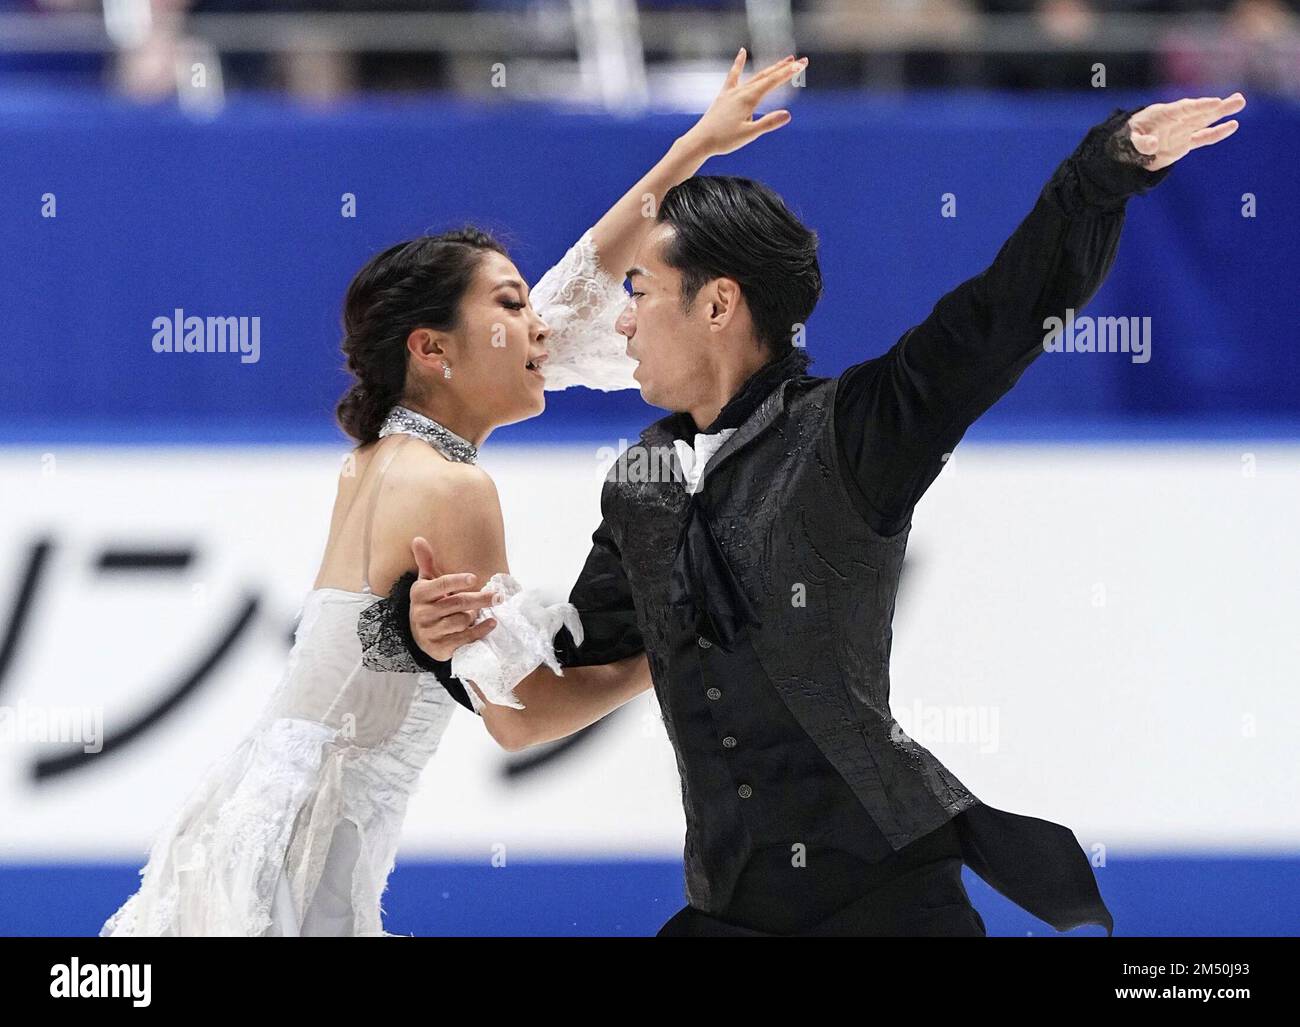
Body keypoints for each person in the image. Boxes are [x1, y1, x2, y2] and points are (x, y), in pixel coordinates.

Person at [395, 93, 1246, 936]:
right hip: (730, 912)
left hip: (889, 905)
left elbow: (1002, 315)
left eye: (641, 290)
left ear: (718, 304)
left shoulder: (854, 431)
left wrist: (1103, 171)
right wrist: (445, 642)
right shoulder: (640, 484)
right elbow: (566, 676)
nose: (617, 321)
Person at [98, 49, 806, 937]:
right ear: (431, 350)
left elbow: (571, 291)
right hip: (302, 859)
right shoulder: (450, 486)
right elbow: (520, 714)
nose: (541, 324)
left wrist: (691, 150)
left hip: (255, 829)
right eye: (510, 308)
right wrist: (677, 653)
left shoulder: (386, 452)